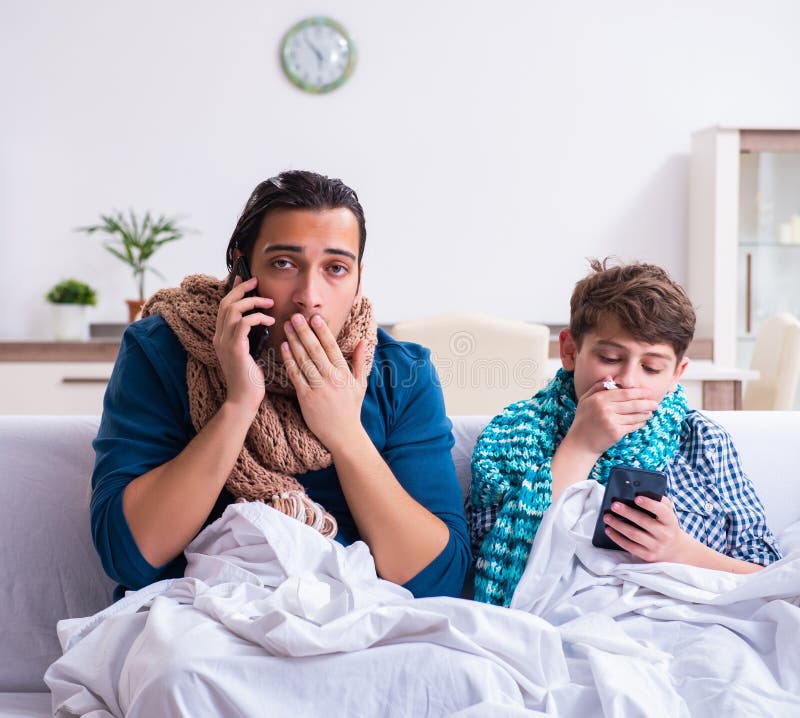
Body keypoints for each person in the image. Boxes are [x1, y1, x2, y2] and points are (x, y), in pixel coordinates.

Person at [90, 170, 470, 600]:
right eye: (284, 264)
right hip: (200, 614)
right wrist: (237, 406)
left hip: (357, 620)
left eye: (336, 268)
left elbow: (439, 580)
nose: (310, 294)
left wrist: (345, 434)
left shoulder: (402, 373)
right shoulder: (162, 348)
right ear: (242, 265)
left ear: (359, 278)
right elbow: (129, 556)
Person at [468, 259, 782, 607]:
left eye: (651, 367)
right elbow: (492, 580)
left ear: (677, 373)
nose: (629, 380)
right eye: (610, 357)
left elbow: (768, 575)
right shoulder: (512, 437)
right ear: (570, 351)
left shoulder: (702, 441)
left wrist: (678, 549)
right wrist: (581, 446)